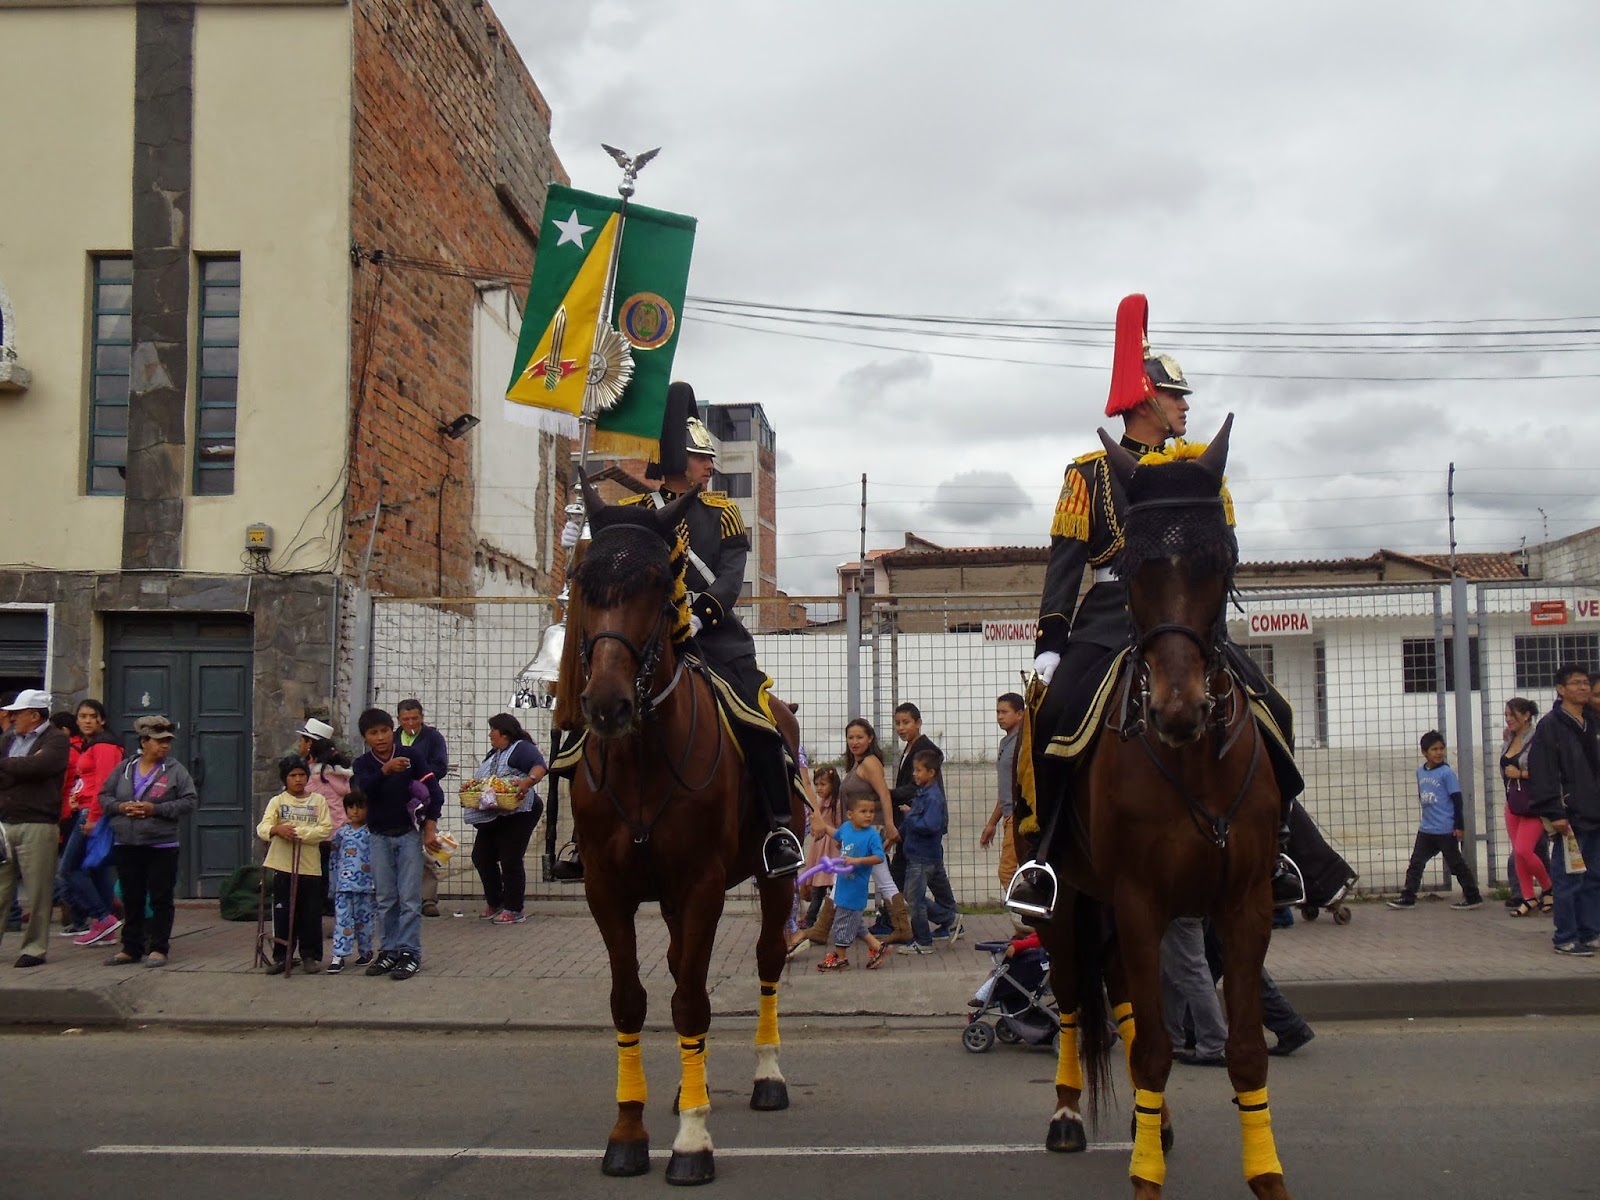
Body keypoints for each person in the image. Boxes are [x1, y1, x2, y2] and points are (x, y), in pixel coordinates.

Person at [1012, 293, 1304, 920]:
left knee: (1273, 708)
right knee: (1056, 713)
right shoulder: (1088, 473)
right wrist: (1050, 644)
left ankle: (1280, 846)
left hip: (1188, 623)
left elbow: (1222, 558)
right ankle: (1045, 858)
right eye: (1176, 396)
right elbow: (1066, 564)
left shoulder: (1200, 471)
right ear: (1145, 399)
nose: (1185, 406)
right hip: (1109, 616)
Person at [592, 386, 803, 877]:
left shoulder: (723, 512)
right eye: (700, 457)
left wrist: (700, 613)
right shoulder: (636, 512)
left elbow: (730, 578)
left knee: (761, 723)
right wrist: (583, 542)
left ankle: (777, 829)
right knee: (587, 723)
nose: (710, 466)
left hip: (715, 640)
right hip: (648, 640)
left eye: (710, 458)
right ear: (675, 458)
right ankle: (586, 835)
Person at [351, 707, 444, 980]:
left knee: (410, 899)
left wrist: (430, 828)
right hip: (378, 837)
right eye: (373, 733)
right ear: (365, 737)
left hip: (408, 835)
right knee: (385, 899)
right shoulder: (363, 764)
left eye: (384, 731)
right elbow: (362, 790)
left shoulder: (411, 756)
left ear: (393, 731)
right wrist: (385, 771)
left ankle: (410, 953)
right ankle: (389, 950)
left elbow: (434, 792)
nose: (380, 737)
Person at [100, 715, 198, 968]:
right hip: (127, 843)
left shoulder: (175, 770)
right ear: (144, 741)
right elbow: (104, 796)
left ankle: (158, 947)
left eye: (167, 741)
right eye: (158, 740)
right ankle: (130, 947)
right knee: (131, 896)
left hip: (161, 845)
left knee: (160, 898)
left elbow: (189, 801)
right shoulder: (125, 768)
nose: (164, 745)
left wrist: (155, 809)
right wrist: (121, 807)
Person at [1527, 665, 1600, 956]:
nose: (1583, 688)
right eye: (1576, 683)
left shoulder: (1591, 722)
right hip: (1570, 818)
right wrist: (1555, 811)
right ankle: (1566, 937)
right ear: (1561, 689)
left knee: (1593, 877)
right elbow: (1543, 771)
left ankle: (1589, 931)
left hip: (1594, 813)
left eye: (1585, 683)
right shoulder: (1551, 726)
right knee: (1569, 878)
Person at [0, 689, 73, 967]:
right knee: (1, 889)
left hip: (38, 822)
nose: (12, 718)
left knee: (38, 890)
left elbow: (40, 766)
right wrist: (20, 769)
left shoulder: (56, 739)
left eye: (17, 713)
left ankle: (34, 948)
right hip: (5, 820)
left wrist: (11, 768)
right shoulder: (8, 739)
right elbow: (27, 769)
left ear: (34, 715)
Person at [464, 713, 547, 925]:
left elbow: (539, 767)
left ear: (505, 733)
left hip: (520, 812)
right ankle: (496, 902)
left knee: (510, 858)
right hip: (494, 813)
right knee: (481, 856)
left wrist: (528, 781)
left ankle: (514, 908)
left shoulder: (521, 749)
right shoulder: (494, 754)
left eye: (493, 730)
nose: (490, 734)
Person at [1387, 731, 1484, 911]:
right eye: (1434, 749)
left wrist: (1459, 826)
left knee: (1456, 864)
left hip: (1445, 829)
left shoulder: (1447, 773)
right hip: (1427, 829)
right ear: (1424, 752)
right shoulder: (1420, 772)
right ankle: (1408, 897)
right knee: (1416, 863)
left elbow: (1457, 800)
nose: (1439, 753)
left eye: (1441, 748)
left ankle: (1473, 896)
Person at [256, 755, 333, 974]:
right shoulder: (278, 801)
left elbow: (325, 829)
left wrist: (298, 833)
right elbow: (263, 828)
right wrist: (277, 829)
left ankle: (310, 956)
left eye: (301, 775)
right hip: (283, 866)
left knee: (310, 913)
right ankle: (282, 956)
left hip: (309, 867)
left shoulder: (318, 801)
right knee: (283, 913)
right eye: (293, 775)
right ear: (285, 778)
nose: (298, 779)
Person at [839, 718, 911, 945]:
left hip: (869, 832)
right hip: (857, 832)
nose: (854, 742)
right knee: (877, 878)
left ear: (870, 739)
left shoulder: (870, 763)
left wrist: (889, 825)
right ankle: (901, 927)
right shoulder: (857, 763)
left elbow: (884, 794)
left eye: (859, 737)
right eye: (850, 737)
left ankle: (826, 928)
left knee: (849, 876)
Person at [62, 700, 125, 947]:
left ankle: (102, 917)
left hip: (92, 813)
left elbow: (104, 784)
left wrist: (93, 818)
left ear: (102, 719)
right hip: (86, 809)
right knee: (97, 869)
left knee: (69, 869)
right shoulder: (93, 744)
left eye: (92, 716)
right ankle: (105, 927)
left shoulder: (104, 745)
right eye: (82, 716)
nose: (87, 721)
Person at [896, 748, 962, 954]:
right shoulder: (923, 794)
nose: (914, 774)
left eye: (918, 770)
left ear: (931, 773)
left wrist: (909, 816)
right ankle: (950, 919)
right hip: (921, 854)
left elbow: (930, 825)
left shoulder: (932, 797)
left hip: (923, 856)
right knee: (914, 896)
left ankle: (923, 941)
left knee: (914, 899)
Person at [816, 794, 892, 971]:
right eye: (863, 811)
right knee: (854, 922)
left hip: (855, 889)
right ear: (850, 814)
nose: (868, 815)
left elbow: (879, 857)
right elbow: (836, 834)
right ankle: (878, 947)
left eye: (871, 811)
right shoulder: (846, 828)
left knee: (842, 923)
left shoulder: (872, 836)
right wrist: (824, 827)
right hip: (844, 885)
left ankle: (841, 958)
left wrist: (857, 861)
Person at [395, 699, 450, 916]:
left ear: (422, 718)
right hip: (398, 799)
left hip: (424, 798)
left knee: (426, 848)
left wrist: (419, 775)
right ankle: (402, 896)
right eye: (406, 719)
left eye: (414, 718)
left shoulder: (433, 738)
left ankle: (428, 898)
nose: (410, 723)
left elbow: (440, 766)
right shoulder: (393, 738)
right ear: (399, 720)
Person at [1500, 697, 1551, 917]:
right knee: (1519, 854)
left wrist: (1520, 773)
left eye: (1512, 715)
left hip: (1533, 803)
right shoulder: (1510, 737)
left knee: (1523, 850)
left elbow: (1547, 772)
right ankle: (1528, 897)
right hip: (1514, 802)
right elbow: (1504, 766)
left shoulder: (1539, 738)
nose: (1508, 719)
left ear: (1527, 715)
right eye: (1506, 715)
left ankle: (1549, 888)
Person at [790, 766, 843, 951]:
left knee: (829, 887)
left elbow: (839, 827)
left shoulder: (837, 804)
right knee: (818, 888)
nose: (819, 788)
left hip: (831, 850)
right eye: (817, 785)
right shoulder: (820, 803)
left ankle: (818, 919)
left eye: (823, 784)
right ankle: (812, 919)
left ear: (833, 784)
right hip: (821, 849)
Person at [980, 692, 1025, 899]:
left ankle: (1026, 914)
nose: (999, 716)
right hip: (1009, 815)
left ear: (1020, 714)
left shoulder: (1022, 744)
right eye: (998, 712)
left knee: (1007, 872)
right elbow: (1006, 790)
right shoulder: (1006, 743)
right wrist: (992, 823)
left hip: (1020, 816)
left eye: (1004, 712)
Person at [327, 790, 375, 974]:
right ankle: (338, 955)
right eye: (351, 807)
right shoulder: (341, 833)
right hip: (344, 886)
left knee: (365, 921)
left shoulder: (371, 833)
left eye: (360, 807)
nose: (355, 811)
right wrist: (333, 885)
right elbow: (333, 859)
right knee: (342, 920)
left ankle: (366, 951)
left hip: (366, 886)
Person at [303, 734, 353, 905]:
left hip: (322, 831)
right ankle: (336, 900)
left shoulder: (315, 779)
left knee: (320, 869)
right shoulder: (342, 777)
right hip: (341, 829)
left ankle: (323, 902)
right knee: (337, 867)